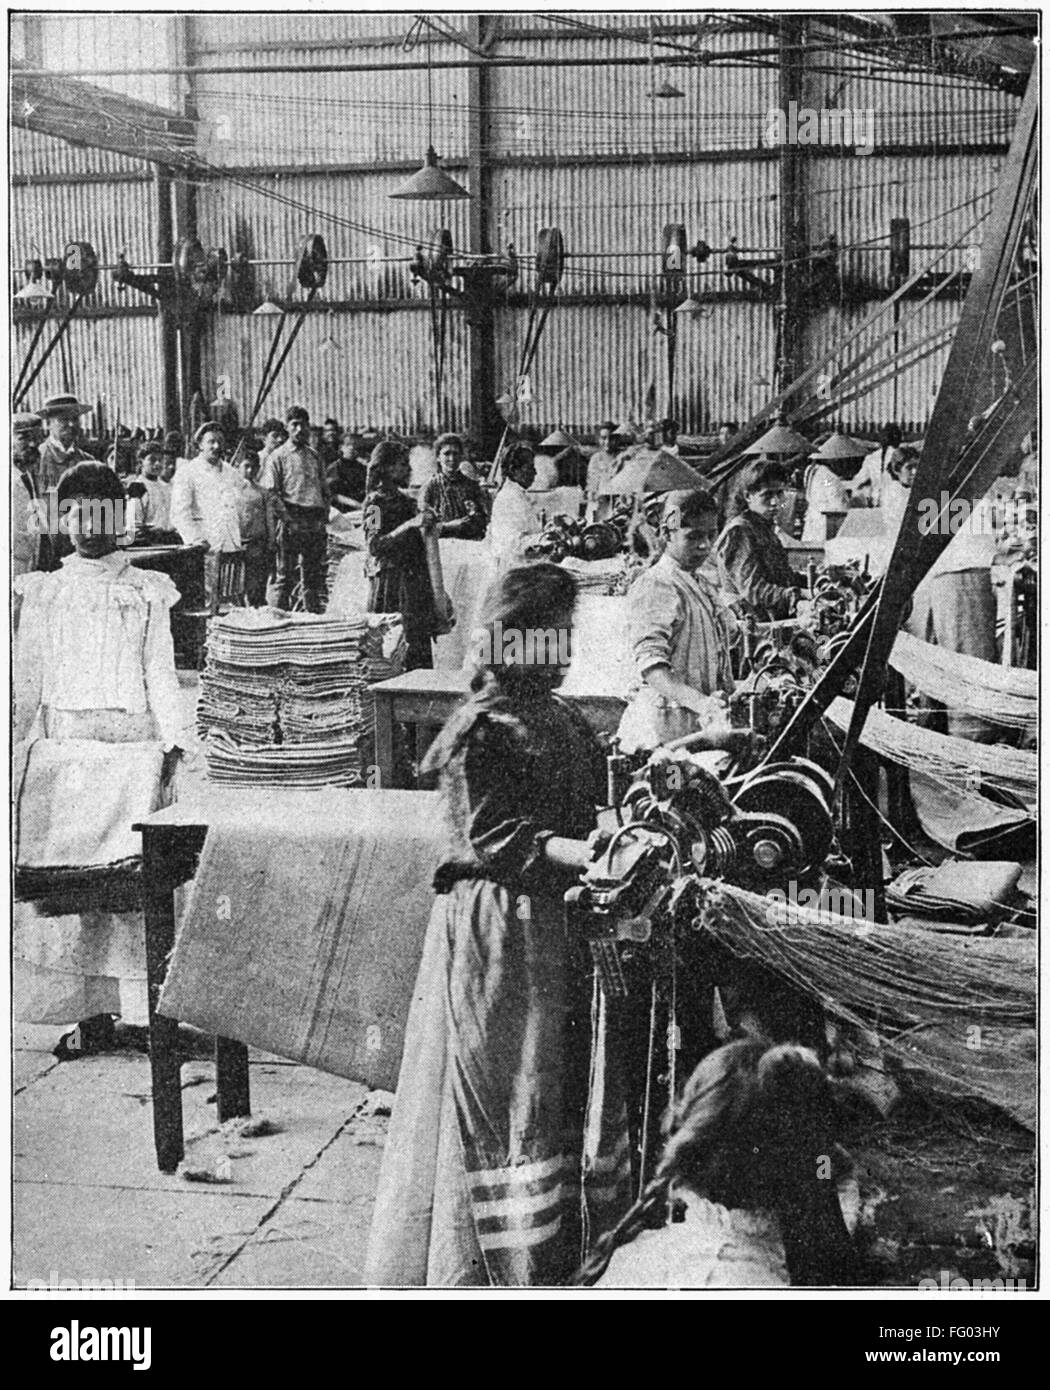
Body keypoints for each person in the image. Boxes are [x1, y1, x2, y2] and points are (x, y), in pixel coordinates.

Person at [365, 563, 627, 1286]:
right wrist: (595, 850)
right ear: (518, 640)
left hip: (553, 922)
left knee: (558, 1085)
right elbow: (500, 838)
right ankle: (509, 1268)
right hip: (505, 930)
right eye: (556, 636)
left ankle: (556, 1255)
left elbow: (580, 812)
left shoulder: (564, 717)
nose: (568, 649)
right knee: (519, 1086)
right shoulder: (484, 728)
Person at [13, 463, 185, 1057]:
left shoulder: (146, 589)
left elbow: (160, 674)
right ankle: (88, 1014)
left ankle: (142, 1010)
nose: (89, 525)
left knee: (128, 886)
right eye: (76, 512)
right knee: (71, 889)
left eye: (102, 511)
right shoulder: (45, 591)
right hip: (64, 754)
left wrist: (174, 745)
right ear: (62, 519)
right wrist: (13, 744)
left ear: (121, 517)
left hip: (129, 750)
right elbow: (27, 680)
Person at [577, 1039, 860, 1287]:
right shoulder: (747, 1278)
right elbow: (827, 1174)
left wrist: (819, 1163)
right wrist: (821, 1171)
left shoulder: (638, 1257)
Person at [618, 490, 739, 754]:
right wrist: (702, 704)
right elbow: (652, 668)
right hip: (662, 730)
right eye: (693, 536)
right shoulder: (657, 584)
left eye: (710, 535)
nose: (705, 545)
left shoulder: (698, 582)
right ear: (667, 534)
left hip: (695, 726)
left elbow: (728, 634)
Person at [363, 440, 442, 670]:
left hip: (414, 585)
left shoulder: (408, 502)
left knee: (418, 650)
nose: (408, 469)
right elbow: (374, 544)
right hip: (391, 587)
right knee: (394, 650)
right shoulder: (374, 505)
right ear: (386, 468)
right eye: (401, 464)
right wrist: (409, 525)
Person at [715, 460, 808, 622]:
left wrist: (813, 581)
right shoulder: (739, 531)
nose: (775, 503)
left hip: (773, 619)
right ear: (748, 496)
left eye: (779, 494)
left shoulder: (762, 527)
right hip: (755, 627)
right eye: (767, 495)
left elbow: (782, 577)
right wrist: (798, 595)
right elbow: (754, 590)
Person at [260, 404, 330, 612]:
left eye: (304, 425)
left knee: (312, 578)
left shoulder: (314, 456)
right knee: (285, 576)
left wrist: (323, 517)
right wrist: (289, 521)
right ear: (288, 428)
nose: (300, 429)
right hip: (291, 519)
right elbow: (272, 494)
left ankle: (312, 623)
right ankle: (277, 622)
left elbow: (324, 490)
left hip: (313, 520)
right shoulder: (278, 457)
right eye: (295, 425)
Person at [170, 421, 244, 608]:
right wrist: (196, 540)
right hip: (203, 547)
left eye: (220, 441)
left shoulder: (232, 473)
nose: (216, 446)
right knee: (206, 602)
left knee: (232, 600)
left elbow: (238, 507)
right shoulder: (187, 472)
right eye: (211, 441)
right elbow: (179, 513)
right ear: (200, 445)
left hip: (230, 545)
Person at [418, 432, 488, 539]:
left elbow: (483, 523)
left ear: (461, 456)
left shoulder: (472, 486)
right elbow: (421, 526)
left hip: (467, 544)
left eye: (456, 454)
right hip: (440, 544)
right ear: (438, 457)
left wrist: (475, 514)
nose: (452, 458)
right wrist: (448, 526)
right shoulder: (430, 487)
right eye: (447, 454)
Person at [488, 444, 543, 578]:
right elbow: (513, 544)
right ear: (514, 470)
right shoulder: (509, 498)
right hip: (513, 570)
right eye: (530, 467)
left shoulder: (517, 495)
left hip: (519, 566)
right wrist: (543, 539)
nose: (535, 473)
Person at [236, 452, 278, 606]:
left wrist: (272, 541)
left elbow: (269, 519)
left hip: (258, 544)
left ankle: (258, 610)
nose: (250, 471)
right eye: (246, 466)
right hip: (238, 543)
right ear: (238, 467)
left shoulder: (263, 492)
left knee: (257, 584)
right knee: (238, 584)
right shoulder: (233, 490)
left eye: (254, 467)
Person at [12, 412, 48, 580]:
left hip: (27, 573)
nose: (33, 444)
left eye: (37, 438)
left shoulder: (31, 479)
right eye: (24, 438)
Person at [36, 394, 95, 491]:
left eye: (75, 419)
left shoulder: (88, 460)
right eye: (64, 419)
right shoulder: (37, 459)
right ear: (48, 424)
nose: (71, 424)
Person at [852, 423, 903, 508]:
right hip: (895, 503)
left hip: (875, 501)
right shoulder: (902, 457)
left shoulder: (872, 457)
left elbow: (858, 481)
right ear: (899, 439)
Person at [136, 440, 173, 533]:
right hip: (149, 540)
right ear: (141, 462)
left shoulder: (167, 487)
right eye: (152, 460)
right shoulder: (137, 487)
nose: (157, 464)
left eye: (160, 460)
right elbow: (136, 524)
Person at [327, 432, 369, 511]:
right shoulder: (335, 468)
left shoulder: (361, 467)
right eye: (347, 445)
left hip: (362, 508)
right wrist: (357, 505)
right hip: (343, 509)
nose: (351, 448)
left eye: (354, 445)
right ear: (341, 447)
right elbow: (333, 494)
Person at [586, 421, 620, 499]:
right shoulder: (596, 459)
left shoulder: (623, 456)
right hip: (601, 500)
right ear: (599, 439)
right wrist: (592, 492)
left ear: (617, 439)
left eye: (611, 438)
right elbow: (592, 482)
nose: (607, 442)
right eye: (604, 438)